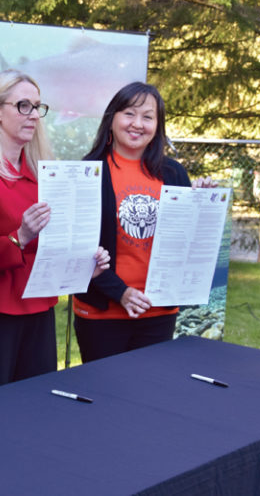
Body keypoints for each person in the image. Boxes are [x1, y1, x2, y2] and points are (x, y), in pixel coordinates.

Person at [0, 69, 110, 396]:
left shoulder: (42, 175)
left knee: (34, 414)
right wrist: (18, 238)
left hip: (39, 313)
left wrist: (84, 266)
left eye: (38, 107)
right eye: (23, 106)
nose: (34, 115)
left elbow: (50, 251)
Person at [73, 81, 215, 363]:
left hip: (158, 312)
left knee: (149, 397)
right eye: (129, 113)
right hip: (104, 313)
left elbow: (186, 244)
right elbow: (78, 247)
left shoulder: (173, 173)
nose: (137, 124)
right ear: (111, 119)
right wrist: (121, 293)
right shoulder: (88, 171)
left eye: (148, 117)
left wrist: (201, 207)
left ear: (157, 126)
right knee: (105, 397)